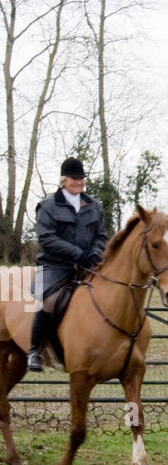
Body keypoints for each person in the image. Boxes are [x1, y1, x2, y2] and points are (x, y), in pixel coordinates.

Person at [26, 157, 107, 371]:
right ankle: (34, 351)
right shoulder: (47, 206)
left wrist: (95, 253)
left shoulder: (94, 207)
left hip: (86, 265)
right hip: (51, 266)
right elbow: (46, 239)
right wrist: (77, 254)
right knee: (49, 302)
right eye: (74, 179)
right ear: (64, 180)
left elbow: (101, 235)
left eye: (81, 178)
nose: (78, 182)